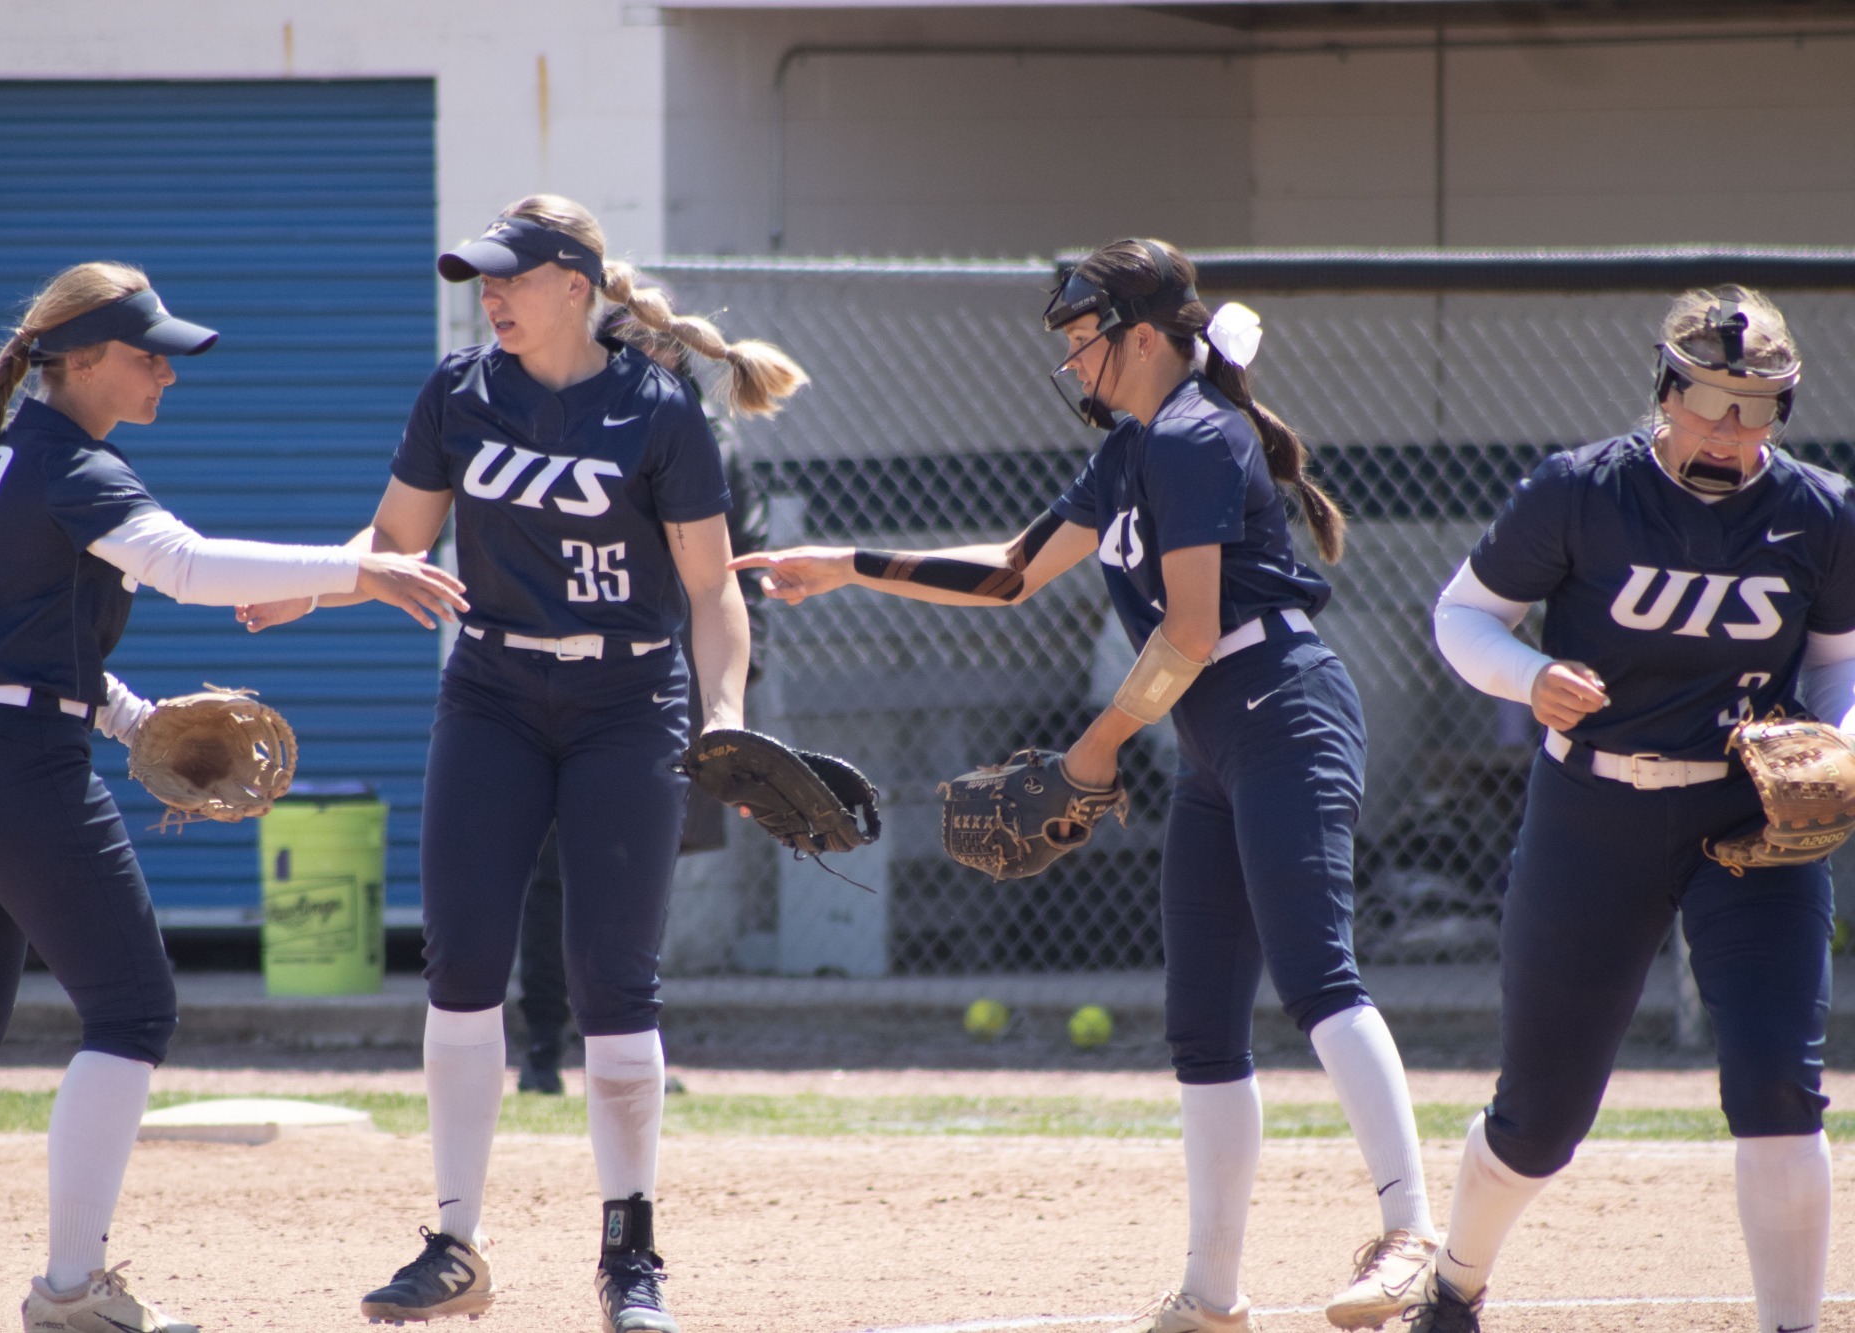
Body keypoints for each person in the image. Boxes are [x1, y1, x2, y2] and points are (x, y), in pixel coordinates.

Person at [733, 239, 1436, 1333]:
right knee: (1200, 1023)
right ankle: (1211, 1293)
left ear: (1143, 337)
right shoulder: (1131, 451)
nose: (1072, 361)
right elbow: (1011, 573)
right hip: (1210, 734)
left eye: (1083, 339)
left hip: (1279, 712)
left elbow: (1192, 629)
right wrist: (851, 561)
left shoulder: (1197, 436)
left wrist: (1095, 745)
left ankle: (1411, 1234)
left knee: (1314, 976)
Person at [0, 263, 465, 1333]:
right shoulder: (69, 463)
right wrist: (355, 570)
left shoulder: (14, 454)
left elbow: (20, 645)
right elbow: (182, 565)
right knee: (132, 1009)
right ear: (79, 359)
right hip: (10, 764)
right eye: (148, 355)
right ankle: (71, 1292)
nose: (166, 374)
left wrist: (134, 721)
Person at [236, 195, 804, 1332]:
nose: (488, 295)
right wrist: (311, 578)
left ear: (574, 286)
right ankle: (454, 1245)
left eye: (509, 276)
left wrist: (726, 715)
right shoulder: (459, 391)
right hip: (490, 694)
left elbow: (710, 588)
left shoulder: (656, 408)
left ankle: (629, 1256)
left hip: (627, 701)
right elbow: (394, 540)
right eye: (480, 279)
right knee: (461, 962)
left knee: (613, 981)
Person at [1423, 287, 1838, 1333]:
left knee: (1776, 1088)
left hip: (1748, 829)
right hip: (1591, 815)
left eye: (1755, 408)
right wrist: (1528, 678)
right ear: (1663, 391)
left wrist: (1842, 737)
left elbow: (1838, 666)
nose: (1728, 431)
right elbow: (1461, 616)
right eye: (1706, 404)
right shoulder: (1581, 491)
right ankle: (1453, 1283)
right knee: (1540, 1117)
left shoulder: (1818, 512)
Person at [512, 307, 771, 1098]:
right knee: (555, 872)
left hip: (663, 683)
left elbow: (737, 580)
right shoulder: (551, 432)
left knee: (636, 871)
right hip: (557, 682)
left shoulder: (708, 446)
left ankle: (624, 1044)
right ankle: (543, 1052)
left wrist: (723, 690)